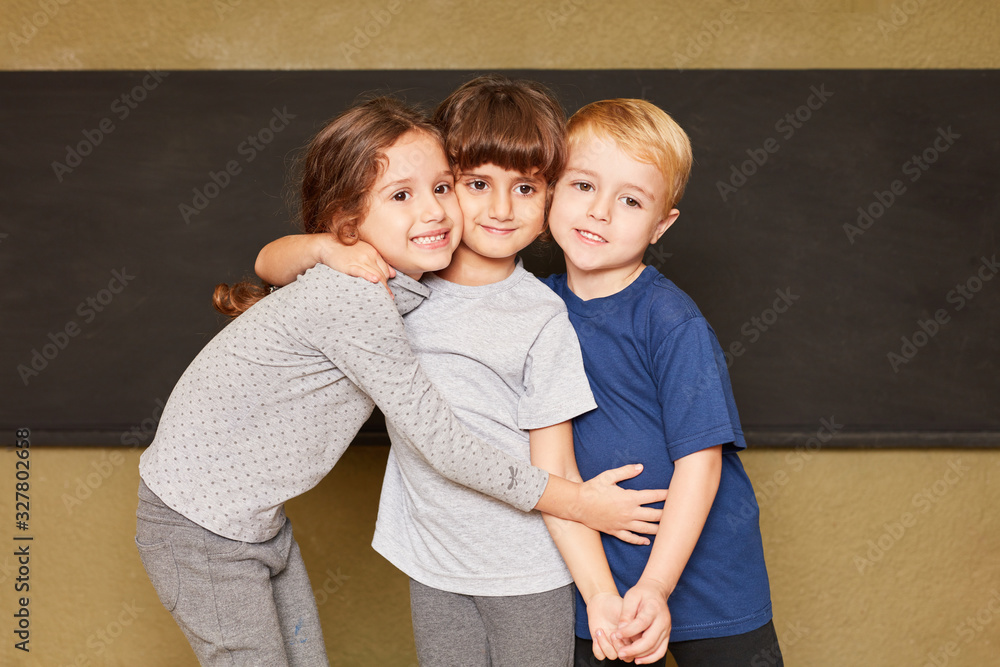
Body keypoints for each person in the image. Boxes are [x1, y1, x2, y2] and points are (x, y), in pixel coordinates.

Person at [136, 96, 656, 667]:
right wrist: (581, 502)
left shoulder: (405, 277)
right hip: (197, 525)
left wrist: (318, 247)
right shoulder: (357, 296)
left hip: (251, 520)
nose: (433, 212)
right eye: (402, 195)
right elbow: (443, 443)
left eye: (441, 188)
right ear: (350, 223)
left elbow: (268, 262)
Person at [541, 99, 782, 666]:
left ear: (661, 223)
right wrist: (605, 591)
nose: (599, 212)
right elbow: (546, 465)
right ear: (550, 188)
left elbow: (703, 463)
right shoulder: (534, 310)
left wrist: (657, 587)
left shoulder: (669, 320)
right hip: (594, 577)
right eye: (582, 185)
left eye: (630, 200)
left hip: (707, 575)